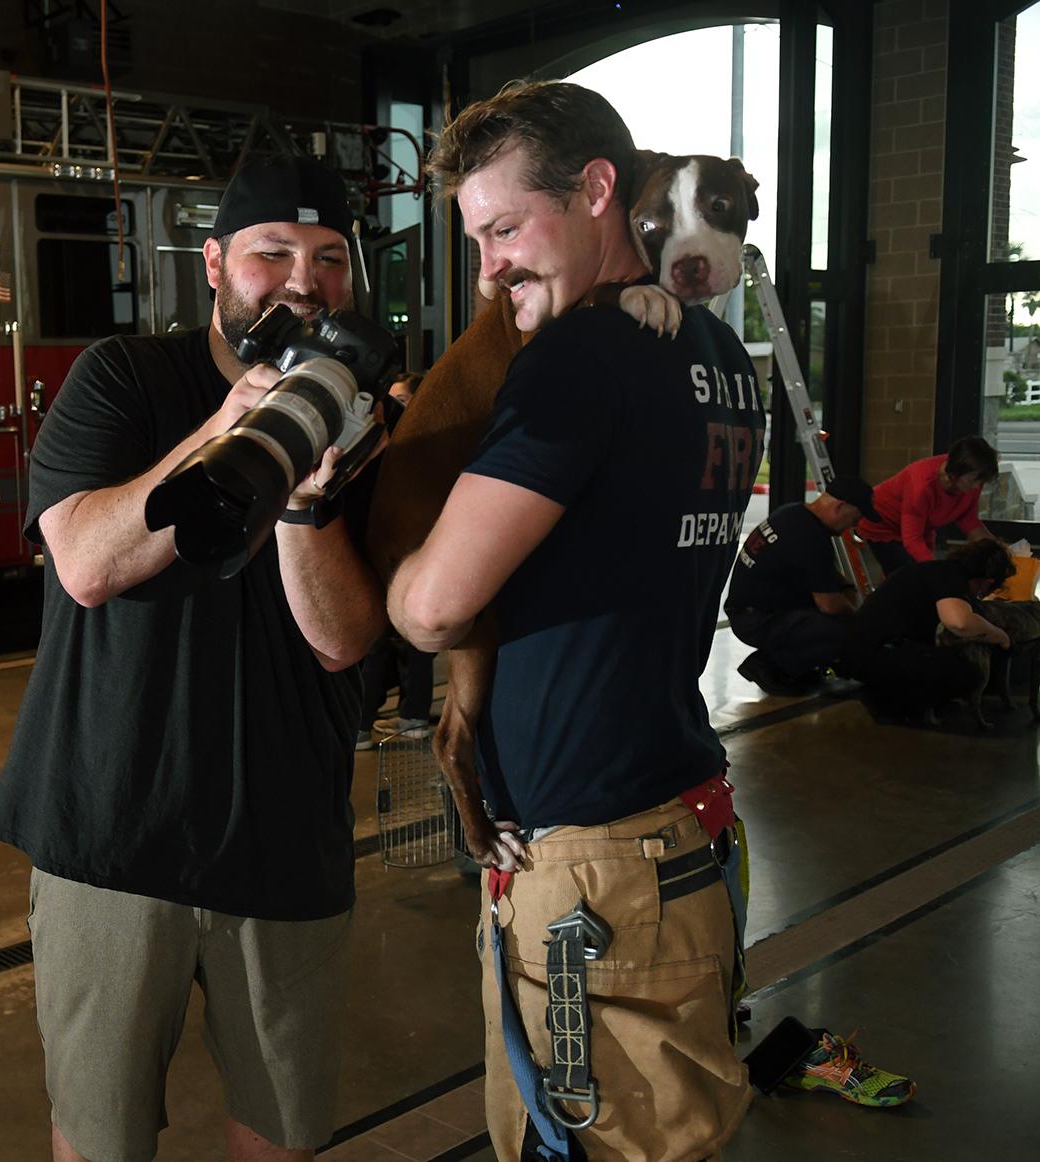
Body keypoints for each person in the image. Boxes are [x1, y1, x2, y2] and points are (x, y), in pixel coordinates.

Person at [387, 81, 764, 1160]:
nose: (492, 264)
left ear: (598, 188)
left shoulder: (578, 361)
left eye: (506, 227)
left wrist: (397, 557)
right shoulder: (721, 360)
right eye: (477, 238)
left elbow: (433, 608)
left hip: (592, 867)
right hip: (682, 823)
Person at [0, 157, 387, 1162]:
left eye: (330, 258)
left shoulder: (376, 420)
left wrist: (303, 492)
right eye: (272, 253)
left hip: (285, 830)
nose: (303, 280)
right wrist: (229, 429)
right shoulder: (125, 376)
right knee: (100, 1132)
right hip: (113, 828)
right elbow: (84, 561)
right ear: (213, 263)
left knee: (282, 1130)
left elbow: (343, 638)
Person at [725, 477, 878, 696]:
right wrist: (862, 619)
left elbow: (819, 571)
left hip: (750, 612)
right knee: (848, 631)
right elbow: (829, 605)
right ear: (840, 506)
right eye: (855, 519)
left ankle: (796, 664)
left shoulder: (793, 514)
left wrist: (845, 586)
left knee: (838, 623)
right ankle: (770, 665)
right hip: (757, 620)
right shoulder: (811, 536)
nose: (853, 526)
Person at [836, 538, 1014, 723]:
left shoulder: (936, 570)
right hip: (875, 654)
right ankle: (894, 702)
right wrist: (1001, 637)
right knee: (967, 672)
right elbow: (959, 622)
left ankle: (901, 696)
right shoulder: (951, 576)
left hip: (864, 648)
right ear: (986, 582)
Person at [358, 372, 435, 749]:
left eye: (403, 401)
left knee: (395, 641)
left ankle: (389, 719)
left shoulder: (409, 444)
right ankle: (408, 716)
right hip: (397, 546)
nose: (394, 408)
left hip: (403, 548)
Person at [854, 437, 1000, 575]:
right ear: (955, 472)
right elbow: (912, 540)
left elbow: (967, 517)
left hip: (920, 527)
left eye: (981, 482)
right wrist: (938, 572)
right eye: (973, 481)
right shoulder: (921, 484)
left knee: (922, 574)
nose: (977, 487)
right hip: (883, 522)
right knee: (906, 575)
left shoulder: (971, 477)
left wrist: (994, 548)